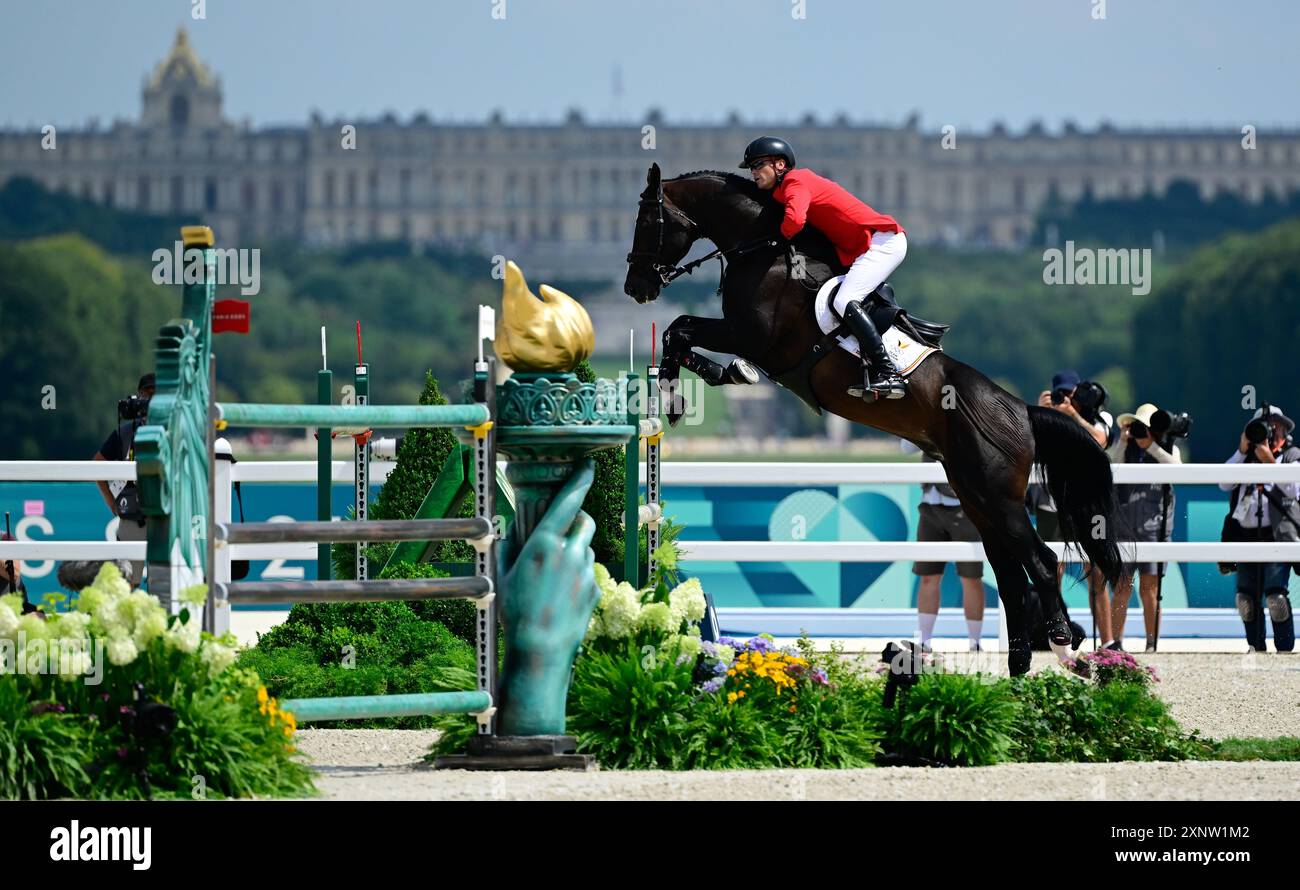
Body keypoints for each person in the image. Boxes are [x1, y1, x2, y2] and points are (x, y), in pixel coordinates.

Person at [741, 135, 908, 400]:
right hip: (865, 248)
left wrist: (776, 240)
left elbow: (795, 220)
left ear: (780, 164)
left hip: (883, 241)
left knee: (844, 300)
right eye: (750, 167)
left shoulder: (796, 181)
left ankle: (888, 373)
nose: (753, 171)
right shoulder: (783, 191)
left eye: (758, 164)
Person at [1030, 370, 1114, 645]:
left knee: (1097, 575)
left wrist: (1072, 416)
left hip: (1086, 505)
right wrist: (1042, 413)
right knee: (1051, 572)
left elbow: (1099, 441)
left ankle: (1108, 641)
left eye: (1069, 394)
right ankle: (1053, 633)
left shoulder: (1097, 416)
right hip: (1050, 505)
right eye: (1060, 394)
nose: (1065, 399)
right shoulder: (1044, 416)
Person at [1219, 405, 1299, 653]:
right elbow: (1224, 483)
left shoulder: (1291, 455)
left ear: (1284, 429)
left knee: (1275, 597)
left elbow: (1295, 490)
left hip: (1277, 535)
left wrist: (1270, 463)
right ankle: (1256, 647)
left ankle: (1284, 649)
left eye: (1274, 426)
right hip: (1246, 535)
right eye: (1264, 426)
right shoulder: (1244, 457)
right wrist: (1242, 450)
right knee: (1245, 599)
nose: (1269, 431)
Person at [1107, 403, 1182, 652]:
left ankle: (1152, 643)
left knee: (1150, 589)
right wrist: (1123, 441)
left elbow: (1178, 473)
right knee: (1121, 587)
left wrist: (1150, 446)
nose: (1140, 432)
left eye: (1144, 428)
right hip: (1124, 528)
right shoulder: (1125, 449)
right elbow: (1111, 470)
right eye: (1136, 427)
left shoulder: (1168, 448)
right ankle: (1116, 642)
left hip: (1154, 529)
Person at [902, 441, 986, 652]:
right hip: (930, 507)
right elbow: (906, 447)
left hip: (965, 506)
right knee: (928, 576)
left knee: (971, 578)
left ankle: (975, 642)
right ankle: (924, 641)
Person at [93, 373, 156, 587]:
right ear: (138, 396)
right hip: (134, 513)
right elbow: (98, 464)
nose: (150, 400)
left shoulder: (176, 430)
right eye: (147, 394)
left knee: (164, 581)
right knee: (127, 582)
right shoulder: (126, 432)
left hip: (167, 513)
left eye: (156, 395)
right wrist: (111, 502)